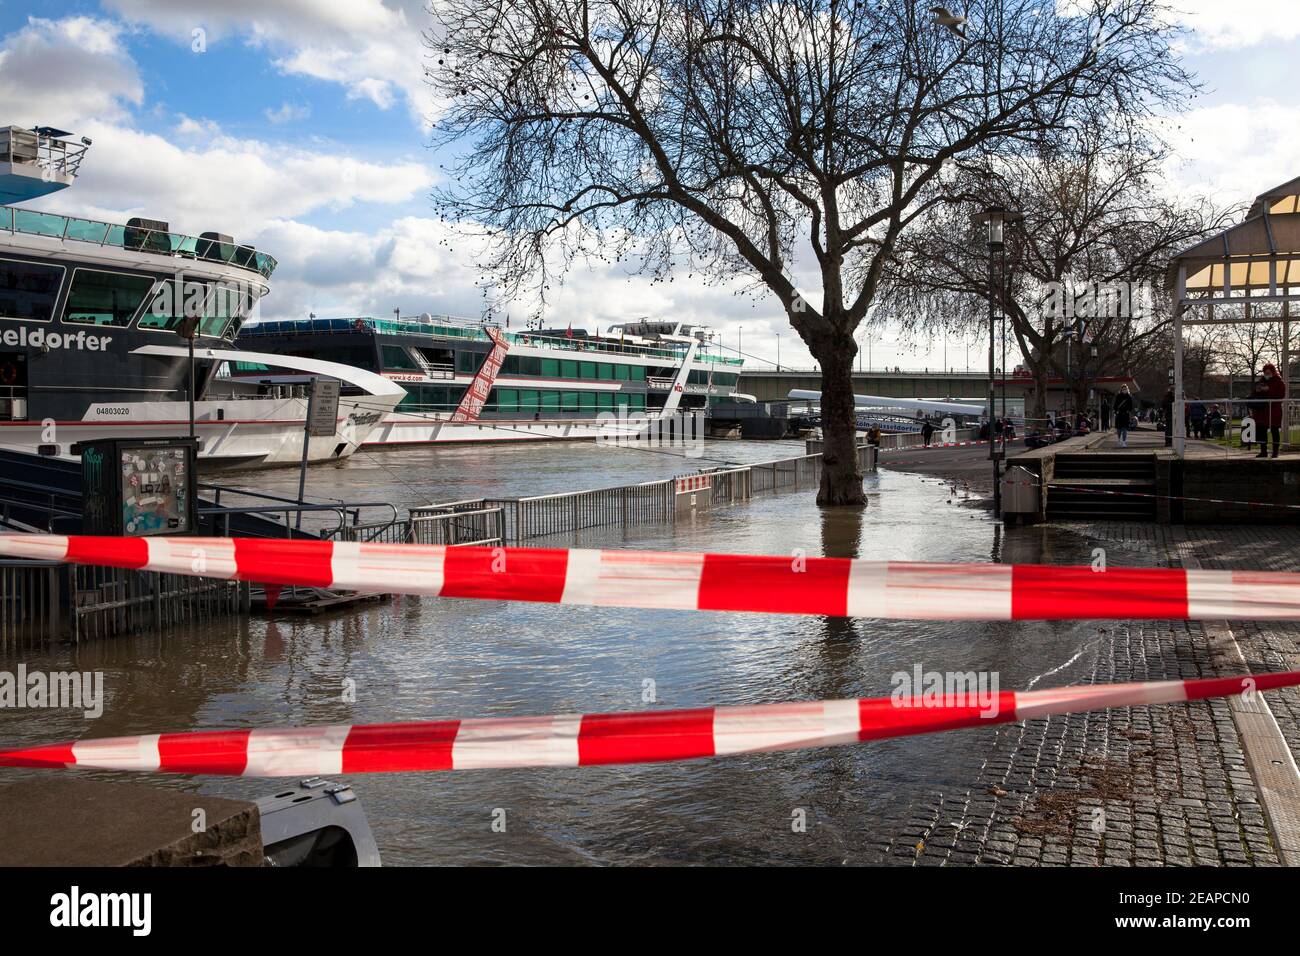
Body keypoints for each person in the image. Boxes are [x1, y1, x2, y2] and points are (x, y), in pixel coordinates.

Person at [1252, 363, 1287, 458]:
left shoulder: (1279, 382)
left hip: (1274, 411)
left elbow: (1281, 395)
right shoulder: (1261, 381)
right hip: (1262, 411)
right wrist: (1257, 391)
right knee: (1261, 430)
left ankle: (1275, 452)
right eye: (1265, 373)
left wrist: (1268, 390)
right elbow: (1254, 394)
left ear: (1273, 372)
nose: (1267, 375)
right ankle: (1263, 451)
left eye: (1268, 373)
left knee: (1274, 430)